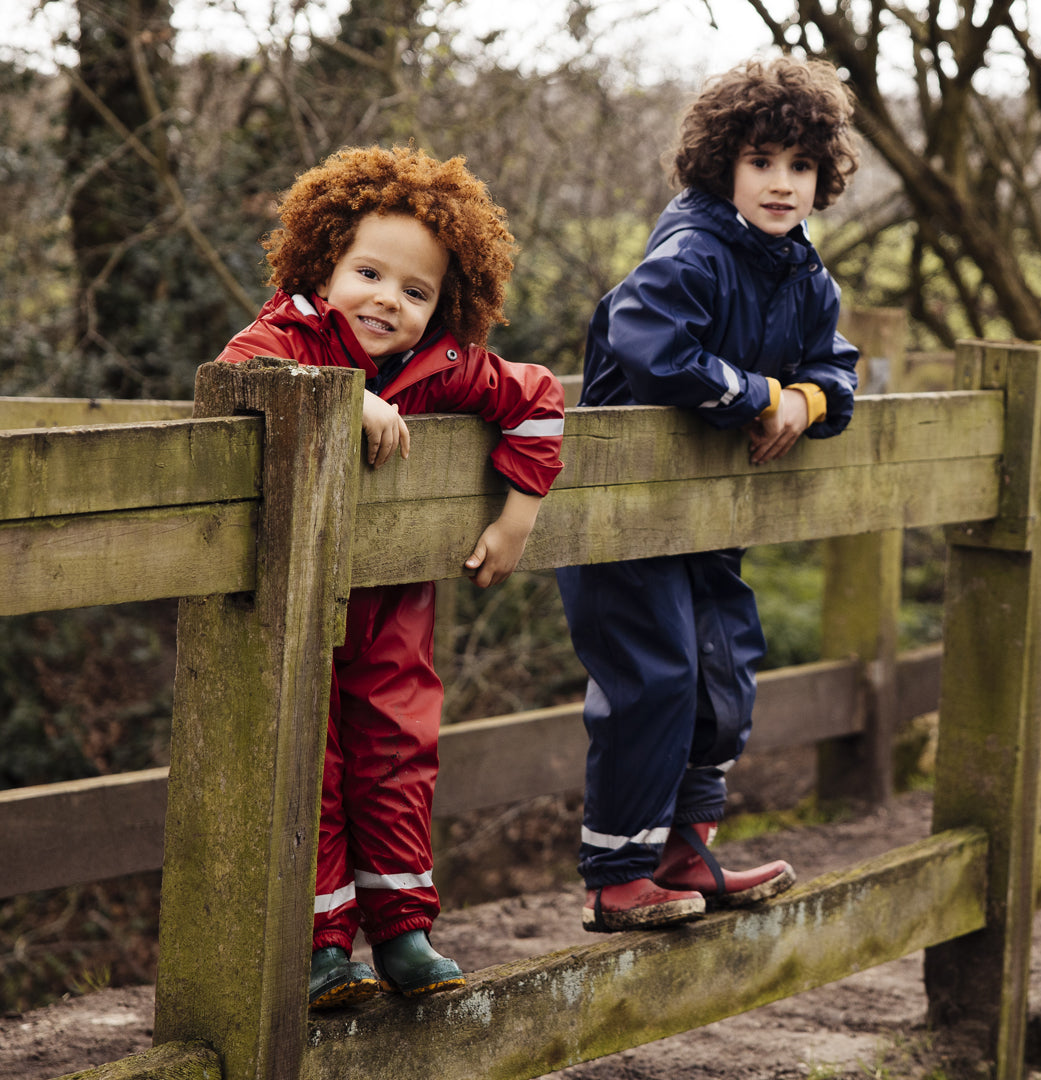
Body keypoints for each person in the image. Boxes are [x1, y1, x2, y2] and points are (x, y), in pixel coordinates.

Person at [216, 145, 564, 1001]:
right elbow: (234, 377)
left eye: (416, 291)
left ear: (445, 306)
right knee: (314, 763)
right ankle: (320, 945)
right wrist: (346, 396)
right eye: (368, 273)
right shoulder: (286, 335)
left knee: (398, 756)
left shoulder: (443, 363)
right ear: (323, 264)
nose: (387, 300)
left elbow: (538, 399)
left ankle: (404, 932)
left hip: (396, 611)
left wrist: (516, 518)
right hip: (297, 606)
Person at [556, 56, 861, 933]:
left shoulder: (804, 278)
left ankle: (686, 849)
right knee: (654, 678)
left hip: (707, 519)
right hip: (621, 516)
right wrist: (760, 395)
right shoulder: (692, 254)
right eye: (761, 161)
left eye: (801, 165)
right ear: (721, 163)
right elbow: (653, 348)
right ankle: (619, 872)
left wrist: (804, 400)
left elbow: (837, 368)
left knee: (724, 670)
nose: (782, 183)